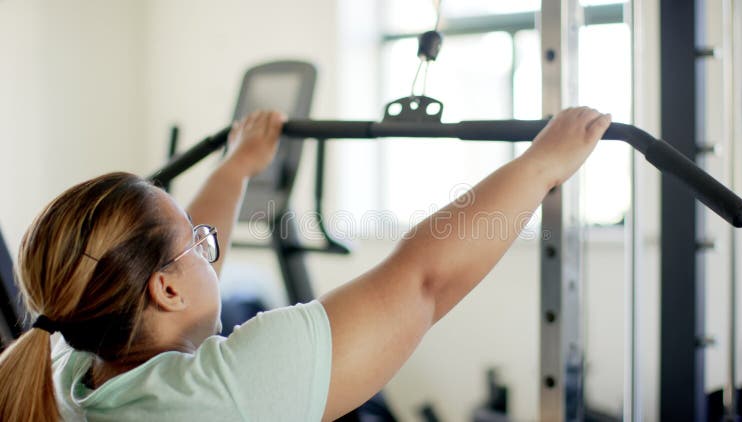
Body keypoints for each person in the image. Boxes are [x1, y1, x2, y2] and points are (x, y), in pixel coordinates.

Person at [0, 107, 610, 421]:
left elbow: (181, 253)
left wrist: (239, 165)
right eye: (200, 244)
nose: (211, 247)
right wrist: (543, 164)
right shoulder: (228, 390)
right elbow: (425, 280)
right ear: (163, 288)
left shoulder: (65, 363)